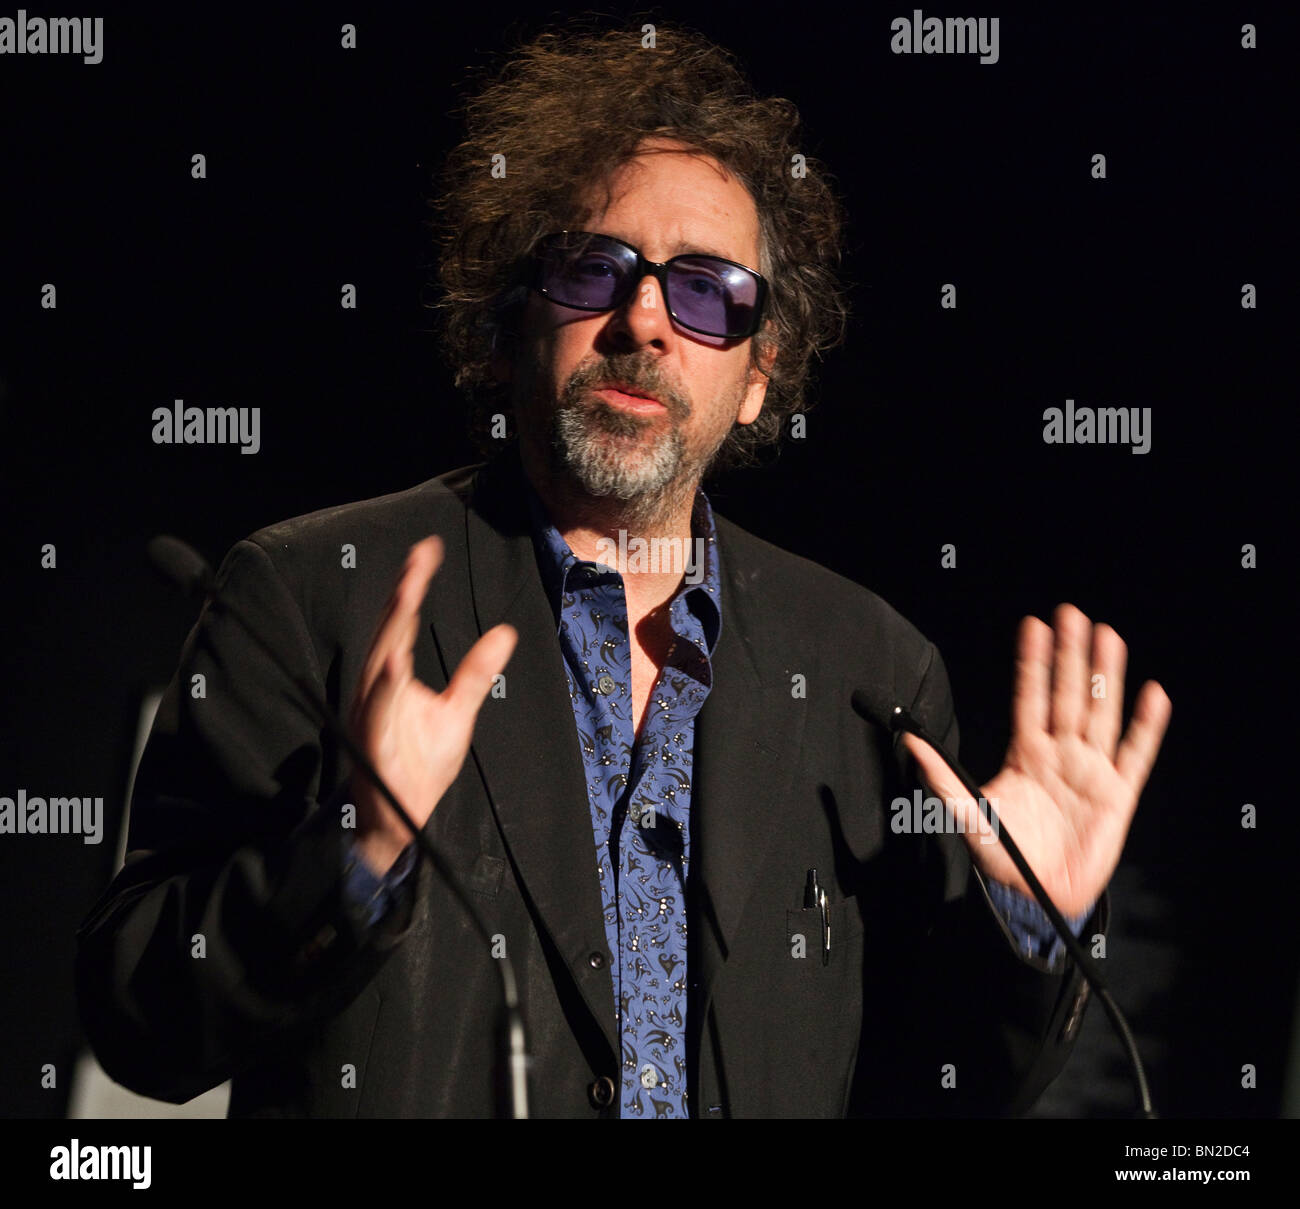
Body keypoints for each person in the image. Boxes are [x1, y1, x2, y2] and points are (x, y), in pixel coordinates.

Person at [75, 22, 1171, 1119]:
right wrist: (355, 852)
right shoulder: (315, 591)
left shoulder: (866, 670)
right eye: (595, 270)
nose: (644, 319)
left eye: (707, 293)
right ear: (509, 327)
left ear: (756, 377)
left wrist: (1035, 925)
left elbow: (934, 1086)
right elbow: (141, 1025)